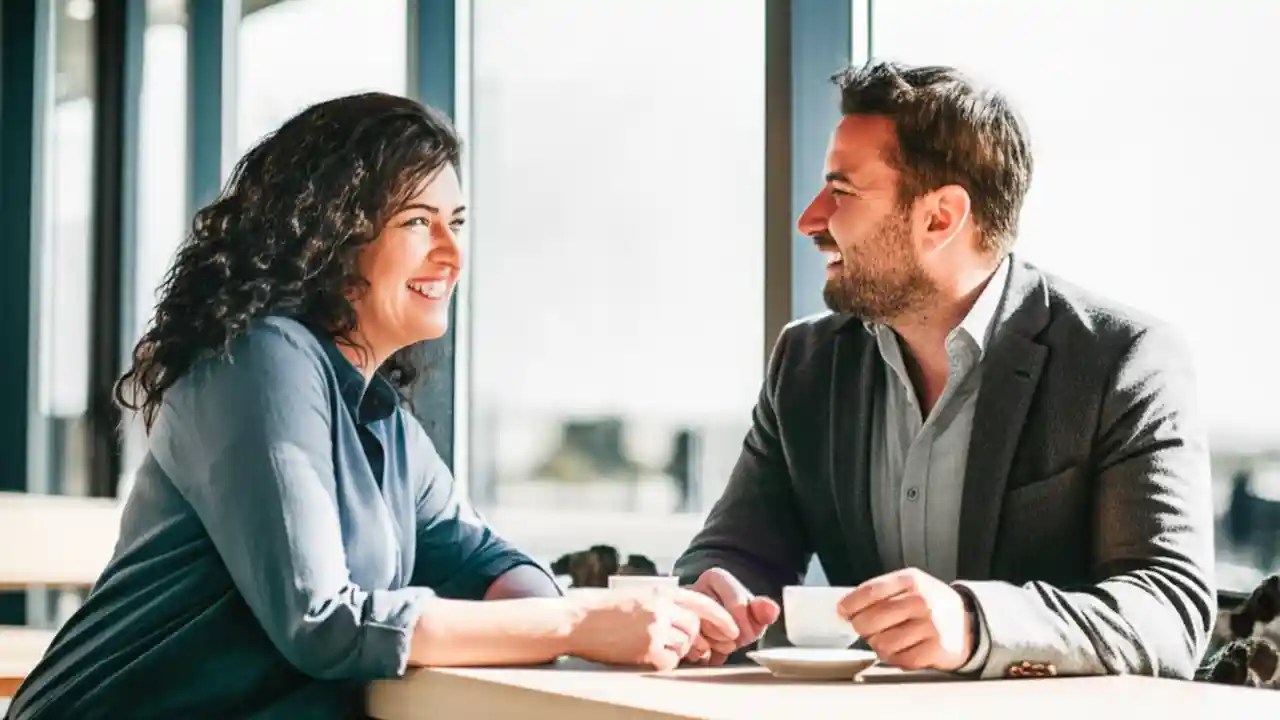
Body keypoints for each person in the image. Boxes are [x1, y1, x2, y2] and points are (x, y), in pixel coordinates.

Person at [7, 94, 737, 719]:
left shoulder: (379, 416)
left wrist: (632, 622)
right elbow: (323, 622)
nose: (451, 252)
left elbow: (482, 557)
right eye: (418, 222)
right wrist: (579, 622)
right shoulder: (260, 357)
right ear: (331, 235)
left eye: (457, 220)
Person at [673, 61, 1215, 680]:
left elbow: (1169, 612)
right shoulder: (807, 363)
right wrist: (708, 603)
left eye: (842, 192)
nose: (810, 219)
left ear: (940, 217)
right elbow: (736, 551)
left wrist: (976, 622)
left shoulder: (1124, 360)